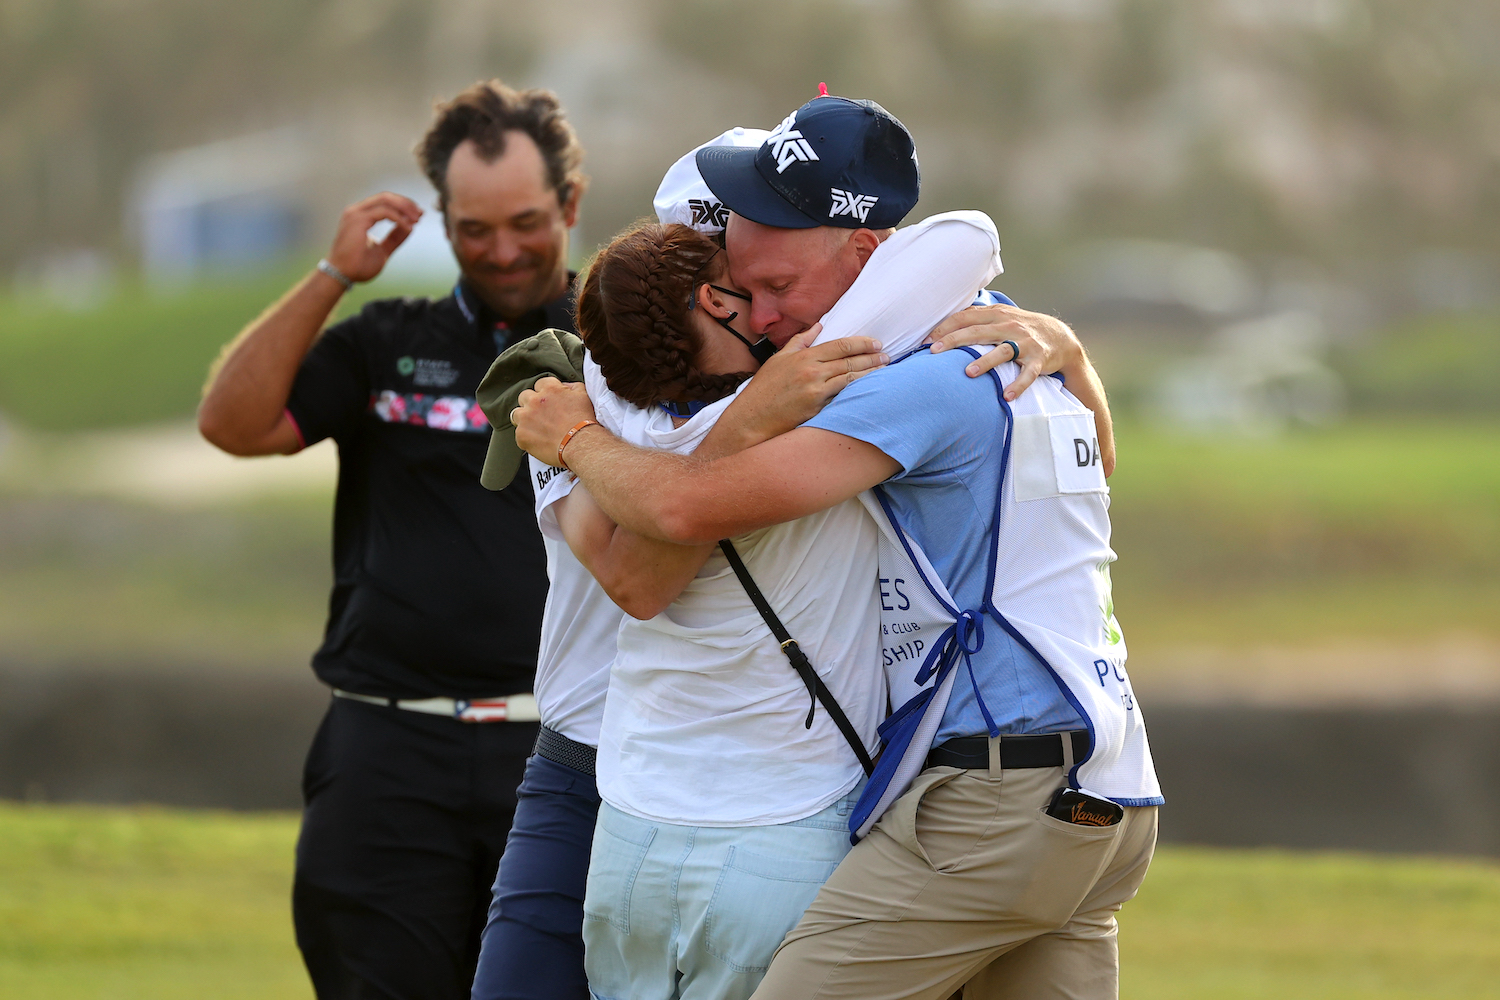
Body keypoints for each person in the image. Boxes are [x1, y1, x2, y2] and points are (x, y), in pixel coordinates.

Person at [510, 93, 1161, 1000]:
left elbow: (687, 512)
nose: (767, 317)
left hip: (996, 793)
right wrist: (1075, 353)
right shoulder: (1000, 331)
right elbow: (1100, 461)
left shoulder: (910, 378)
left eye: (777, 288)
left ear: (865, 254)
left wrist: (576, 438)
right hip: (1114, 788)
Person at [197, 79, 585, 1000]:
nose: (502, 251)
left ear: (569, 203)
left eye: (526, 222)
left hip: (565, 754)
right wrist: (334, 277)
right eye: (474, 229)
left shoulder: (620, 344)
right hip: (385, 754)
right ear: (442, 222)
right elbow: (234, 424)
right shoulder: (383, 343)